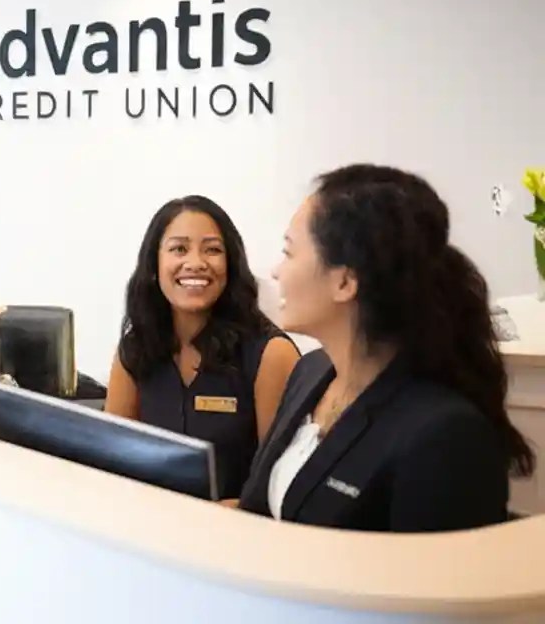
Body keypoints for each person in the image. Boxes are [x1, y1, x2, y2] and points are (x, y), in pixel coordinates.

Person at [237, 164, 536, 531]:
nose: (276, 271)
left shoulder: (445, 436)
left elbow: (432, 583)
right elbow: (257, 512)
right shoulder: (310, 372)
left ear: (345, 281)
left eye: (289, 252)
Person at [105, 195, 300, 501]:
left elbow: (277, 488)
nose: (195, 263)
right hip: (148, 527)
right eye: (178, 249)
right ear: (154, 265)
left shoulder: (271, 354)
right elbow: (111, 463)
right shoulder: (135, 350)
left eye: (212, 250)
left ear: (230, 265)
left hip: (235, 535)